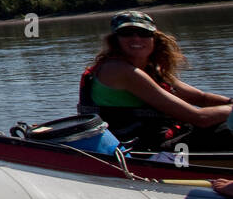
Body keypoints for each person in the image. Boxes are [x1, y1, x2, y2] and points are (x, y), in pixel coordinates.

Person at [78, 10, 233, 152]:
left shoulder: (151, 70)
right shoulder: (118, 70)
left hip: (163, 140)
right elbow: (199, 118)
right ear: (115, 40)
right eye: (126, 33)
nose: (136, 38)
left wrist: (229, 102)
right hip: (145, 150)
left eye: (143, 33)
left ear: (154, 38)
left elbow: (201, 98)